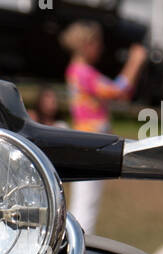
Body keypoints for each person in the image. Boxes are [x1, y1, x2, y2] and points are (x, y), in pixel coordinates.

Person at [61, 21, 146, 235]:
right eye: (97, 43)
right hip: (91, 143)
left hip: (88, 140)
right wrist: (135, 62)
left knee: (86, 200)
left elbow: (119, 92)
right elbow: (118, 91)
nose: (101, 48)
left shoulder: (78, 71)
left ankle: (80, 241)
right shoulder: (82, 72)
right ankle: (81, 244)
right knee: (86, 203)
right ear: (87, 44)